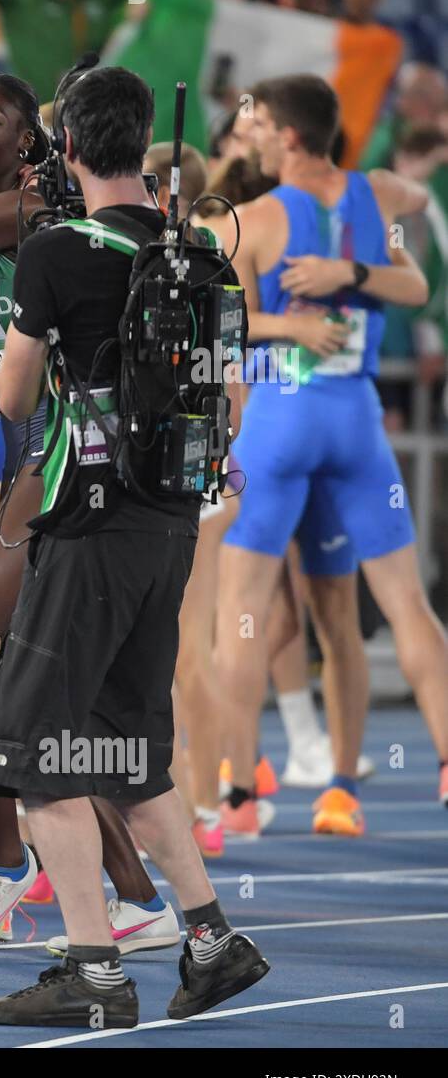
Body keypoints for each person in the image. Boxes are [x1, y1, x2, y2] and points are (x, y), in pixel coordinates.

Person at [0, 66, 269, 1027]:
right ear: (142, 144)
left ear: (65, 150)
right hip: (172, 524)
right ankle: (214, 942)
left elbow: (14, 400)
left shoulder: (55, 251)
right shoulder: (204, 255)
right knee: (132, 751)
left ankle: (96, 974)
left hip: (87, 527)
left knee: (32, 752)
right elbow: (225, 401)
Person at [0, 75, 177, 954]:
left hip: (63, 461)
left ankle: (9, 867)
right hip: (48, 462)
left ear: (40, 145)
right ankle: (137, 896)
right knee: (36, 696)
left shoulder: (30, 214)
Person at [216, 74, 448, 834]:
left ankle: (240, 796)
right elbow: (414, 249)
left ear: (288, 134)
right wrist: (361, 259)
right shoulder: (375, 192)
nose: (247, 132)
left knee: (242, 614)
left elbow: (222, 320)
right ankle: (365, 781)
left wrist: (290, 322)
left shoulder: (249, 220)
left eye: (256, 122)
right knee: (392, 607)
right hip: (356, 425)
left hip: (279, 422)